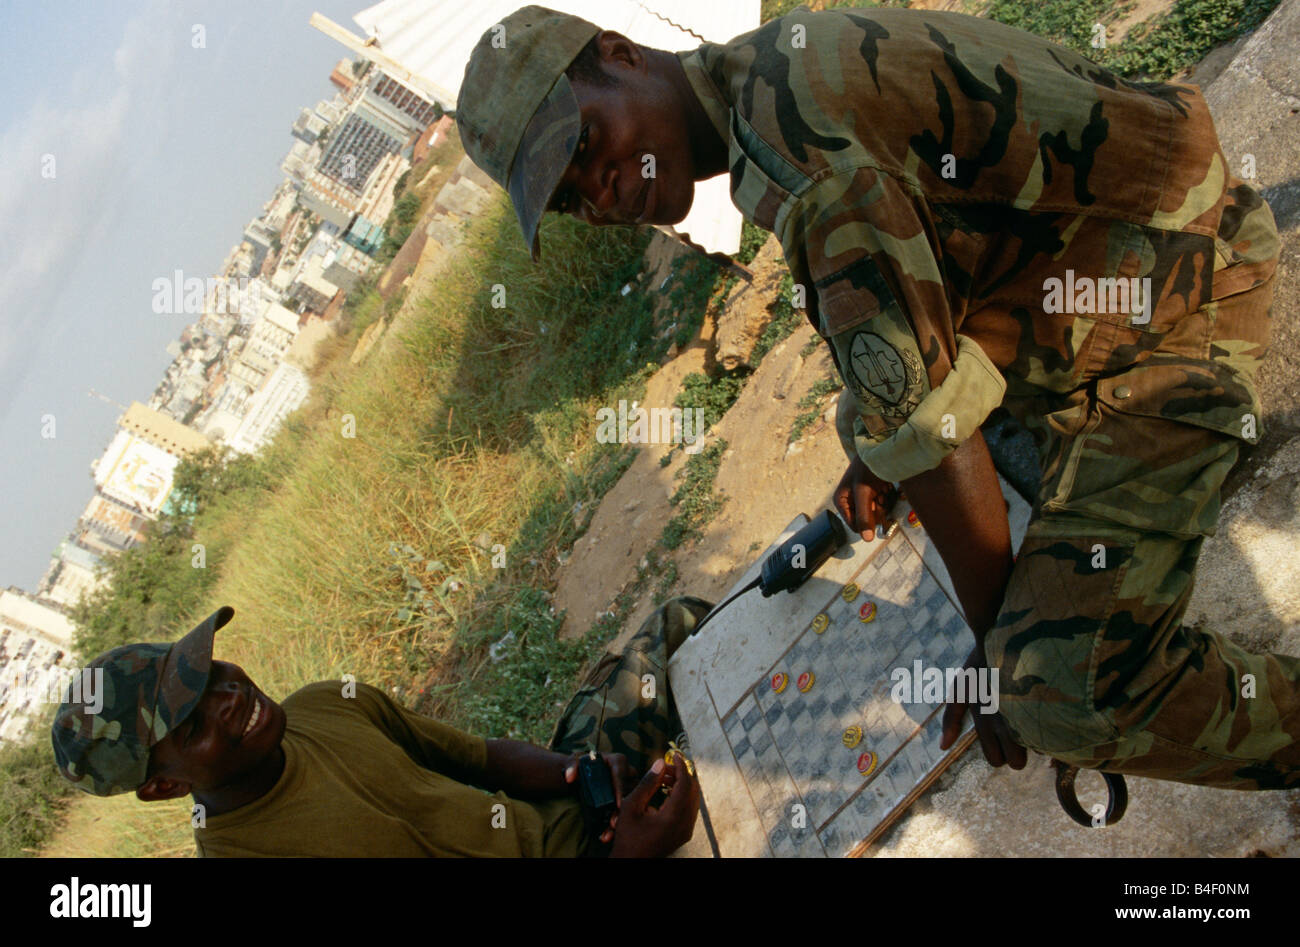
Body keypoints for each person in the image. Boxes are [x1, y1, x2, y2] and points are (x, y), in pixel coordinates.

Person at [455, 5, 1297, 789]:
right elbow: (917, 300)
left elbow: (932, 433)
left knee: (1056, 693)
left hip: (1182, 304)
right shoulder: (767, 72)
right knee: (878, 421)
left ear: (619, 55)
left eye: (589, 144)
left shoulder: (809, 169)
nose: (603, 192)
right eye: (572, 197)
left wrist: (995, 644)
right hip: (1118, 262)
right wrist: (885, 442)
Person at [51, 600, 707, 856]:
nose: (229, 695)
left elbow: (481, 758)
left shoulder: (323, 704)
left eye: (209, 670)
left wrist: (579, 775)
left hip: (571, 824)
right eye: (193, 721)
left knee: (674, 631)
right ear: (165, 785)